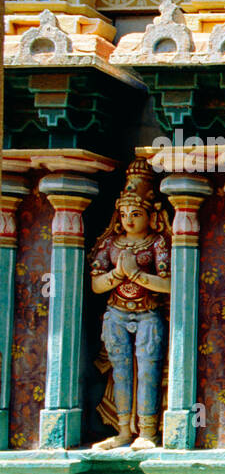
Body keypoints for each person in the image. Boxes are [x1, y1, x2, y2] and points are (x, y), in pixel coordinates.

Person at [89, 162, 172, 450]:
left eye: (136, 214)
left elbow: (170, 284)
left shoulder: (158, 242)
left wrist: (137, 274)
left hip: (149, 312)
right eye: (124, 214)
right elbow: (96, 285)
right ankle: (123, 430)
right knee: (120, 370)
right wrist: (117, 274)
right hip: (116, 313)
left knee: (148, 369)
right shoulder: (111, 243)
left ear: (152, 215)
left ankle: (148, 431)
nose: (129, 220)